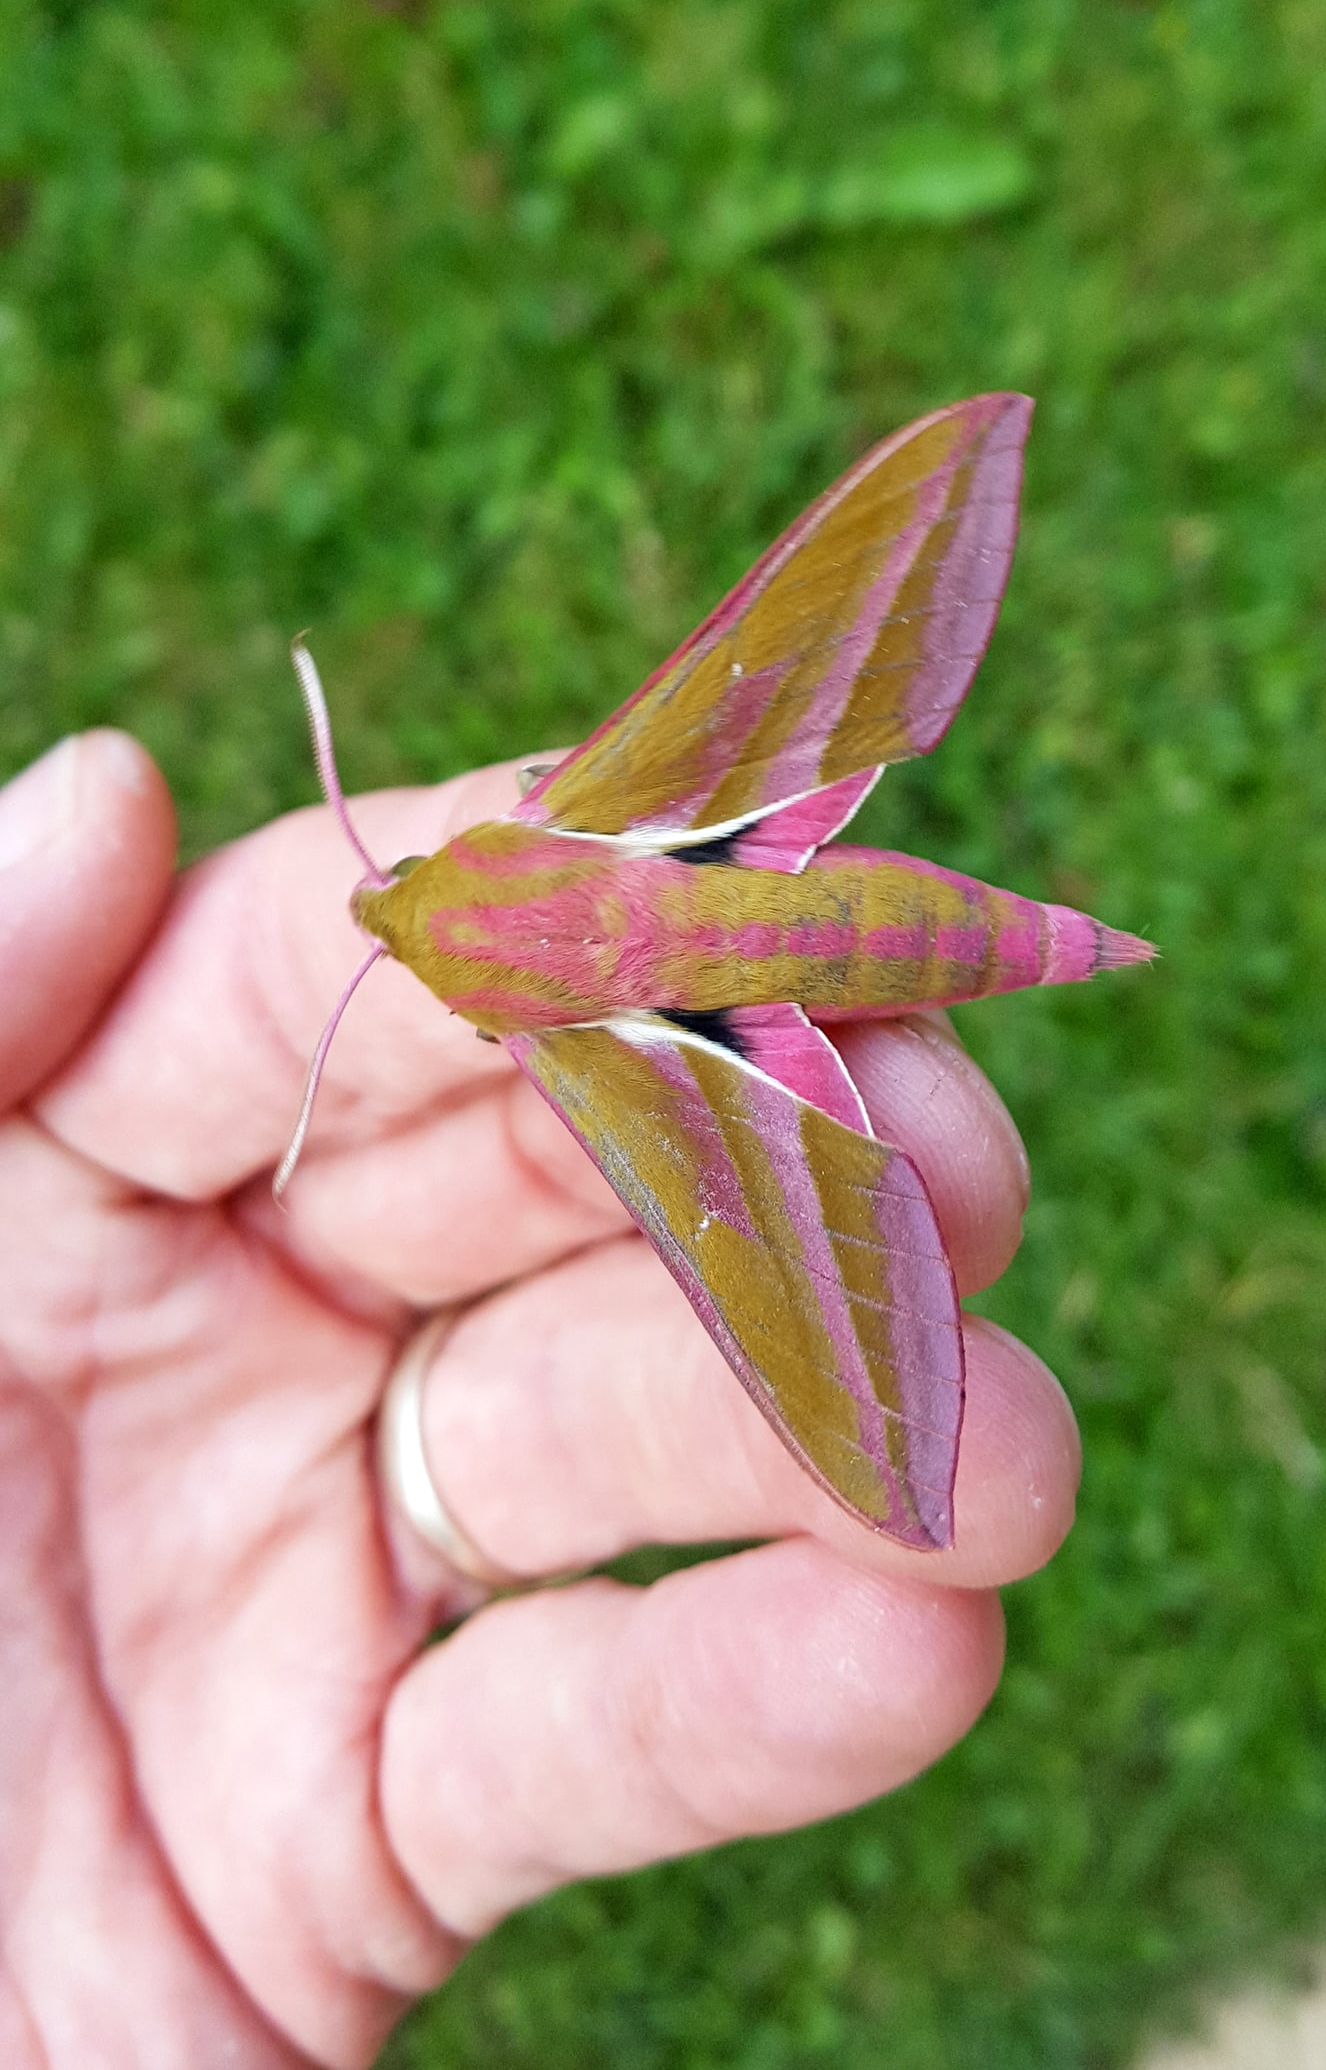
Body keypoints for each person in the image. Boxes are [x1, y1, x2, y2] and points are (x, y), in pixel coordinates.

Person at [0, 728, 1082, 2068]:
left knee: (855, 1354)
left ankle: (890, 1415)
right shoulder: (575, 823)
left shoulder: (573, 1061)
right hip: (812, 900)